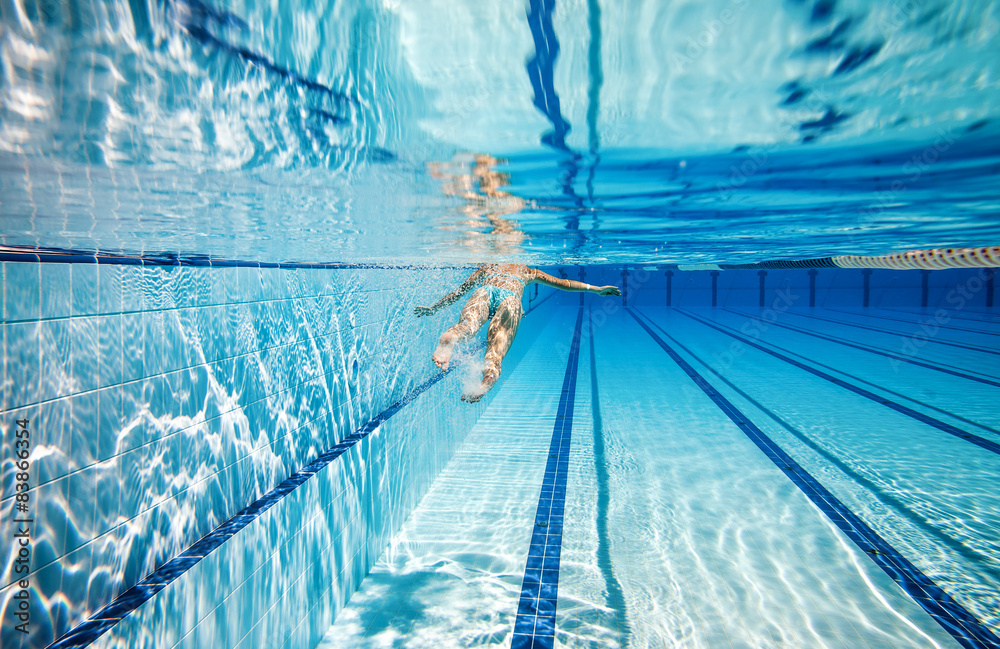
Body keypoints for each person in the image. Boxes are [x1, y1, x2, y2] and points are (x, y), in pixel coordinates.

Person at [415, 263, 621, 402]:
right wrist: (596, 288)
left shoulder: (488, 267)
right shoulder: (527, 270)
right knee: (494, 357)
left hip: (484, 291)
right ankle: (484, 384)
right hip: (511, 299)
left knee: (467, 328)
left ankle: (451, 337)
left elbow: (457, 293)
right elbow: (565, 284)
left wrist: (433, 308)